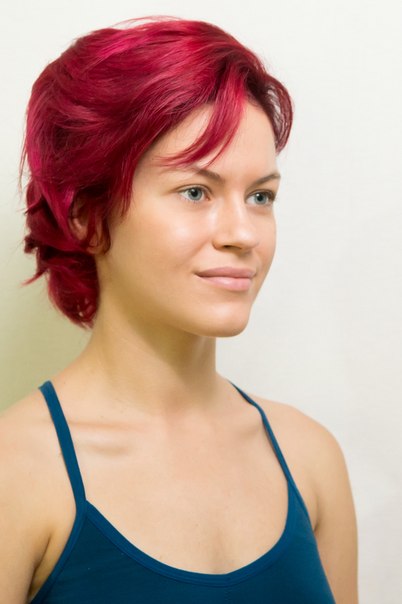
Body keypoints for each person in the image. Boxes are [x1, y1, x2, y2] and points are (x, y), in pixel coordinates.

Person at [0, 16, 358, 603]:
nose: (243, 233)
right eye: (196, 192)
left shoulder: (310, 458)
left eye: (261, 196)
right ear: (86, 216)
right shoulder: (16, 474)